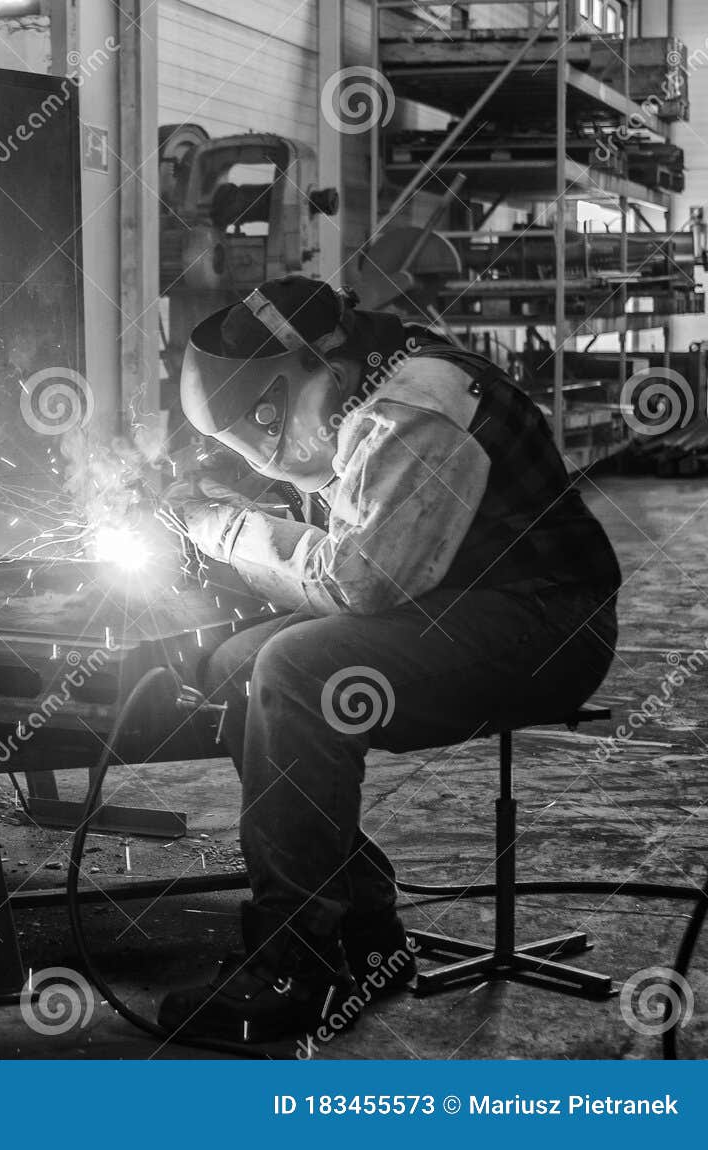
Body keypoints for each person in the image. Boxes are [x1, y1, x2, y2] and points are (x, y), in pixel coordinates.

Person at [156, 275, 621, 1044]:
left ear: (323, 363)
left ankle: (293, 965)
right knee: (241, 665)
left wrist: (226, 531)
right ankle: (366, 932)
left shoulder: (417, 408)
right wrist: (210, 492)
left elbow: (360, 578)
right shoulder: (358, 385)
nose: (269, 446)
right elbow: (325, 490)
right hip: (462, 604)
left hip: (547, 625)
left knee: (297, 670)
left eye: (268, 418)